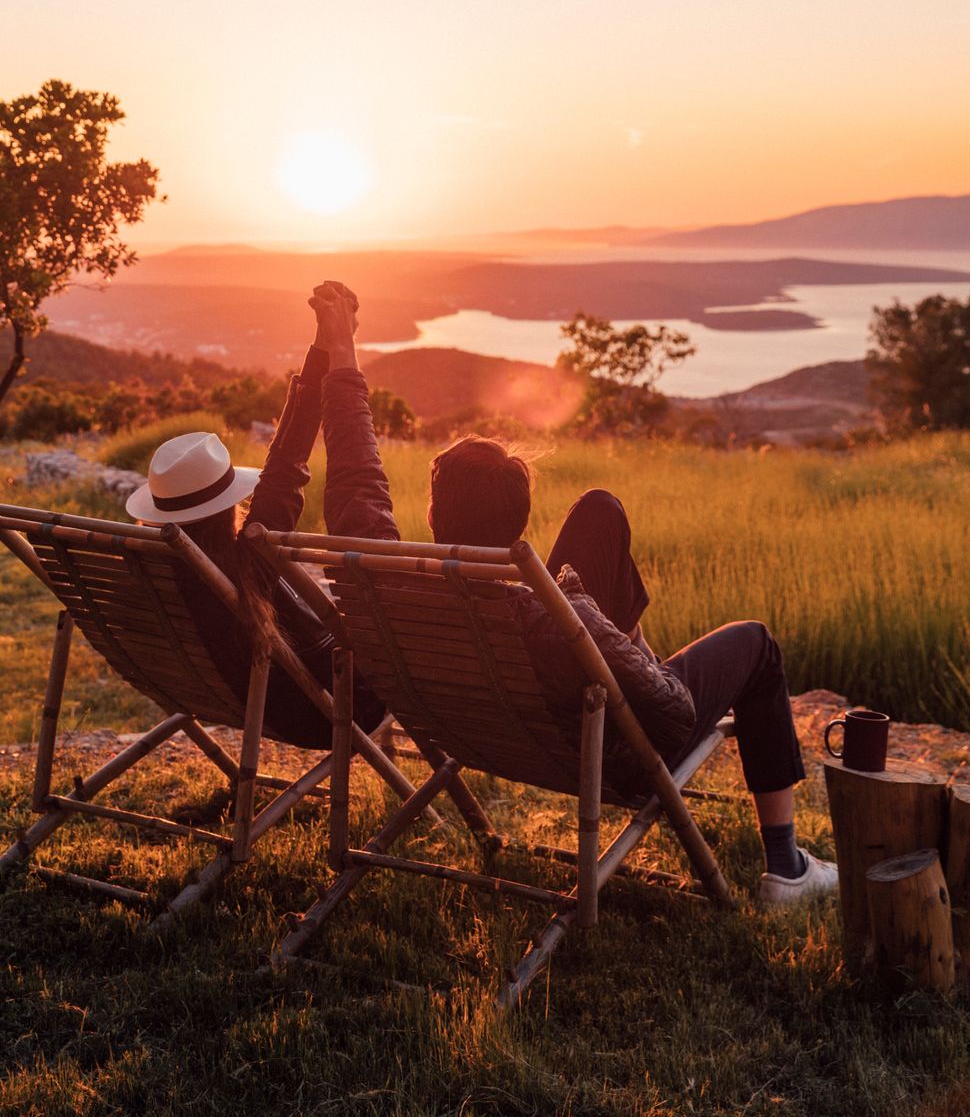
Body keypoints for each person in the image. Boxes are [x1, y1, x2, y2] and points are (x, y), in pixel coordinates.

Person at [311, 279, 838, 906]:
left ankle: (633, 662)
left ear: (432, 517)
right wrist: (620, 647)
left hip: (478, 725)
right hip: (601, 751)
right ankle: (786, 868)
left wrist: (342, 354)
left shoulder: (381, 576)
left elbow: (355, 468)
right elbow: (670, 711)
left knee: (598, 512)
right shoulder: (552, 618)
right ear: (519, 523)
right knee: (756, 643)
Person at [125, 302, 384, 747]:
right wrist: (333, 352)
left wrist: (320, 353)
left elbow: (287, 463)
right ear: (227, 501)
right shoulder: (245, 564)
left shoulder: (157, 571)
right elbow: (287, 465)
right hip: (331, 708)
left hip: (242, 704)